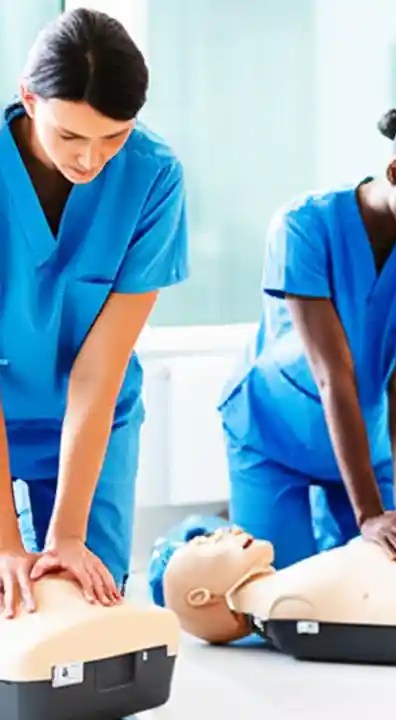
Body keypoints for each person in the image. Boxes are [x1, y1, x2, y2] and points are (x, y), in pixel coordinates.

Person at [216, 105, 396, 571]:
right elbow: (332, 373)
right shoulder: (303, 225)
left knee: (386, 579)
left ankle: (330, 526)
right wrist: (370, 515)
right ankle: (200, 538)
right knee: (275, 593)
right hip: (274, 428)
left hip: (364, 433)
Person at [0, 8, 189, 616]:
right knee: (12, 601)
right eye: (70, 136)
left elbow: (99, 368)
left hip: (92, 419)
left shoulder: (154, 176)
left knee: (91, 607)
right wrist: (7, 544)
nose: (90, 160)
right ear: (29, 99)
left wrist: (67, 537)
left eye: (114, 136)